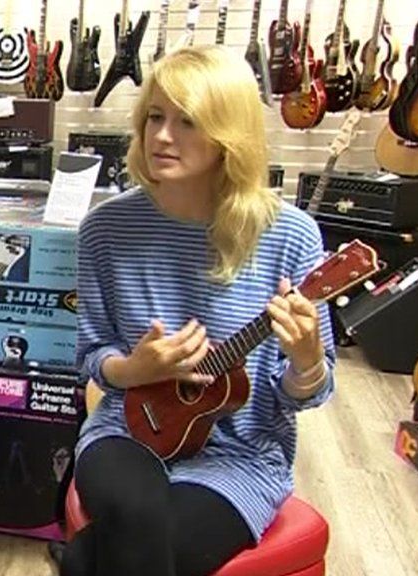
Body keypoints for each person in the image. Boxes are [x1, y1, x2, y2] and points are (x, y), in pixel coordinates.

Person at [60, 45, 336, 576]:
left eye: (187, 122)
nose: (162, 137)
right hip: (128, 428)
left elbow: (309, 393)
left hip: (242, 455)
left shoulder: (289, 236)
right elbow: (93, 355)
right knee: (138, 517)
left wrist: (307, 359)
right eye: (155, 118)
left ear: (228, 133)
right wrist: (134, 370)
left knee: (91, 560)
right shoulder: (106, 230)